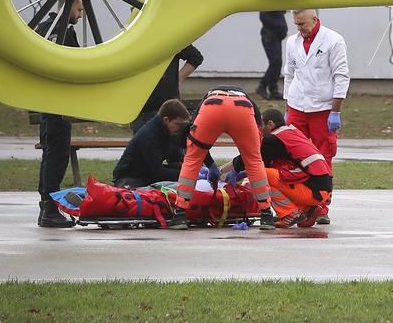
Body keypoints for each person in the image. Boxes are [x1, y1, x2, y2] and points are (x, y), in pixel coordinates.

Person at [172, 86, 274, 228]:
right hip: (243, 108)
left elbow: (197, 145)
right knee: (255, 161)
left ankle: (180, 214)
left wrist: (211, 165)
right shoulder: (251, 104)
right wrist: (236, 169)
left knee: (192, 159)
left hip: (212, 105)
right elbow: (254, 151)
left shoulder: (205, 99)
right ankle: (266, 214)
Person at [240, 108, 333, 228]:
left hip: (313, 190)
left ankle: (289, 213)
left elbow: (247, 159)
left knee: (259, 176)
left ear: (270, 124)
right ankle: (308, 210)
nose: (259, 128)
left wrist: (224, 171)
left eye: (260, 124)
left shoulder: (273, 139)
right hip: (320, 190)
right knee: (275, 175)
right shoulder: (291, 133)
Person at [36, 0, 83, 228]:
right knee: (58, 154)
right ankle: (49, 209)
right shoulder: (61, 30)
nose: (81, 12)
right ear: (68, 6)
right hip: (58, 103)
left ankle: (45, 205)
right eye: (78, 7)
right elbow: (70, 66)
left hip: (46, 100)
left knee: (50, 153)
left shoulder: (44, 27)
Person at [283, 9, 347, 165]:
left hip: (322, 109)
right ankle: (299, 189)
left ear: (314, 19)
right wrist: (287, 108)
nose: (299, 29)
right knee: (292, 154)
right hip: (296, 107)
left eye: (302, 24)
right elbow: (289, 74)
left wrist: (335, 111)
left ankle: (324, 189)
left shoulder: (333, 41)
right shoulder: (292, 42)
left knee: (324, 155)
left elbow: (341, 76)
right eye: (296, 24)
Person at [111, 99, 202, 189]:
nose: (180, 128)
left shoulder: (170, 131)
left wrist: (191, 169)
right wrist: (186, 174)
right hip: (129, 177)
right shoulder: (149, 135)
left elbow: (175, 160)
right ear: (166, 120)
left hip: (147, 174)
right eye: (178, 124)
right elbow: (157, 172)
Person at [130, 43, 204, 134]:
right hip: (142, 108)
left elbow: (196, 57)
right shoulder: (136, 40)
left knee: (171, 143)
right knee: (143, 144)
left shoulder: (170, 38)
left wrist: (178, 79)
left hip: (166, 105)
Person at [258, 10, 288, 99]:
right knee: (275, 62)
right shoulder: (267, 4)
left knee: (277, 63)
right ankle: (263, 85)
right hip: (269, 36)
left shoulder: (277, 4)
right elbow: (264, 18)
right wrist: (280, 27)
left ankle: (273, 89)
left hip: (276, 36)